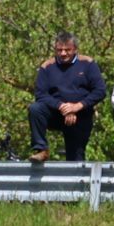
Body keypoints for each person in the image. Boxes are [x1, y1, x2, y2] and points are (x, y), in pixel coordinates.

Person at [30, 32, 106, 163]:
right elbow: (40, 94)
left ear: (75, 49)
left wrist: (77, 107)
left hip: (81, 115)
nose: (63, 53)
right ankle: (41, 149)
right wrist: (61, 106)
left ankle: (75, 181)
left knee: (75, 157)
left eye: (67, 50)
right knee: (35, 109)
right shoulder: (47, 66)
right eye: (59, 50)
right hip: (55, 113)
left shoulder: (88, 63)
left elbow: (100, 91)